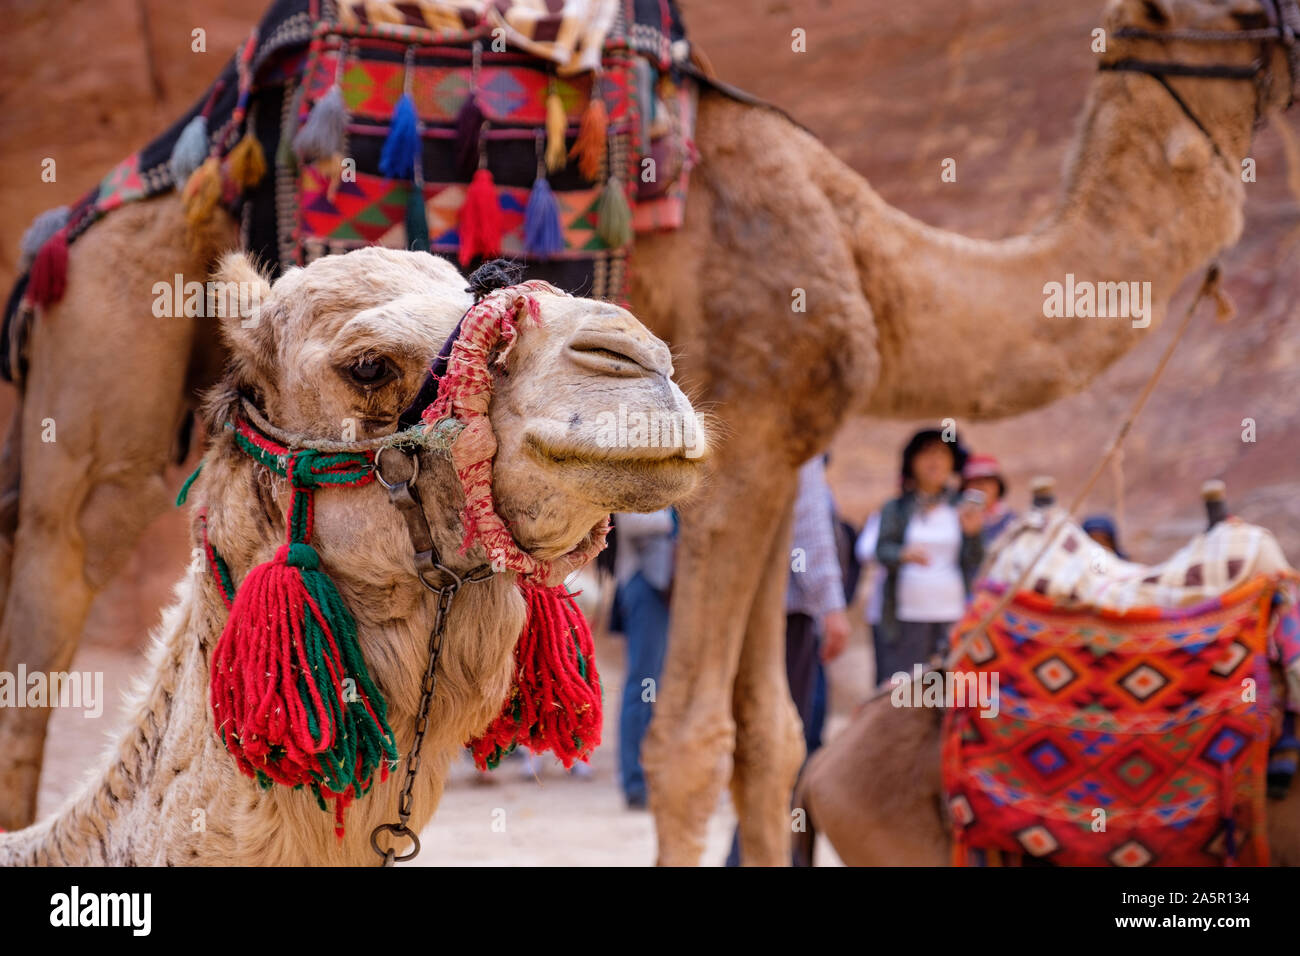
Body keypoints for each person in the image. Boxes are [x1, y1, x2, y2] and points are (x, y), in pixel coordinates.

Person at [726, 455, 849, 866]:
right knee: (784, 739)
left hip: (730, 607)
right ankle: (768, 853)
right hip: (785, 613)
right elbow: (810, 527)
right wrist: (831, 606)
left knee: (751, 737)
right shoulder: (800, 437)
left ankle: (749, 851)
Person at [874, 427, 984, 682]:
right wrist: (903, 554)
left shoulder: (962, 506)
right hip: (907, 615)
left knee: (946, 689)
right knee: (904, 690)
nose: (934, 461)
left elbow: (976, 560)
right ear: (912, 462)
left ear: (952, 462)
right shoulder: (897, 508)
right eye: (926, 454)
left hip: (951, 613)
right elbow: (882, 550)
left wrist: (974, 534)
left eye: (942, 453)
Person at [611, 508, 677, 809]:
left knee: (657, 686)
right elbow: (631, 519)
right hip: (645, 582)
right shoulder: (633, 465)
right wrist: (682, 514)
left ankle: (654, 776)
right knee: (643, 684)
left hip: (664, 584)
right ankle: (636, 782)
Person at [961, 453, 1016, 544]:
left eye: (988, 480)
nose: (982, 486)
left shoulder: (1012, 522)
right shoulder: (953, 520)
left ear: (998, 486)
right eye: (976, 481)